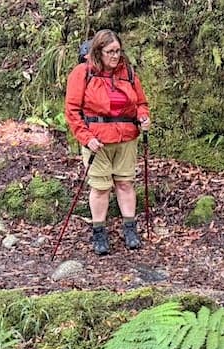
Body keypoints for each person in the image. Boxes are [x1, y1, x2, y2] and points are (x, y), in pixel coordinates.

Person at [65, 29, 151, 255]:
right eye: (110, 52)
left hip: (126, 138)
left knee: (125, 183)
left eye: (118, 51)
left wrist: (143, 117)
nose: (115, 56)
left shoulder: (128, 73)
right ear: (98, 52)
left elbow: (141, 103)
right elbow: (72, 111)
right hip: (97, 141)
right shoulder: (82, 73)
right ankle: (99, 232)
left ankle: (130, 230)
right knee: (101, 188)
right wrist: (86, 138)